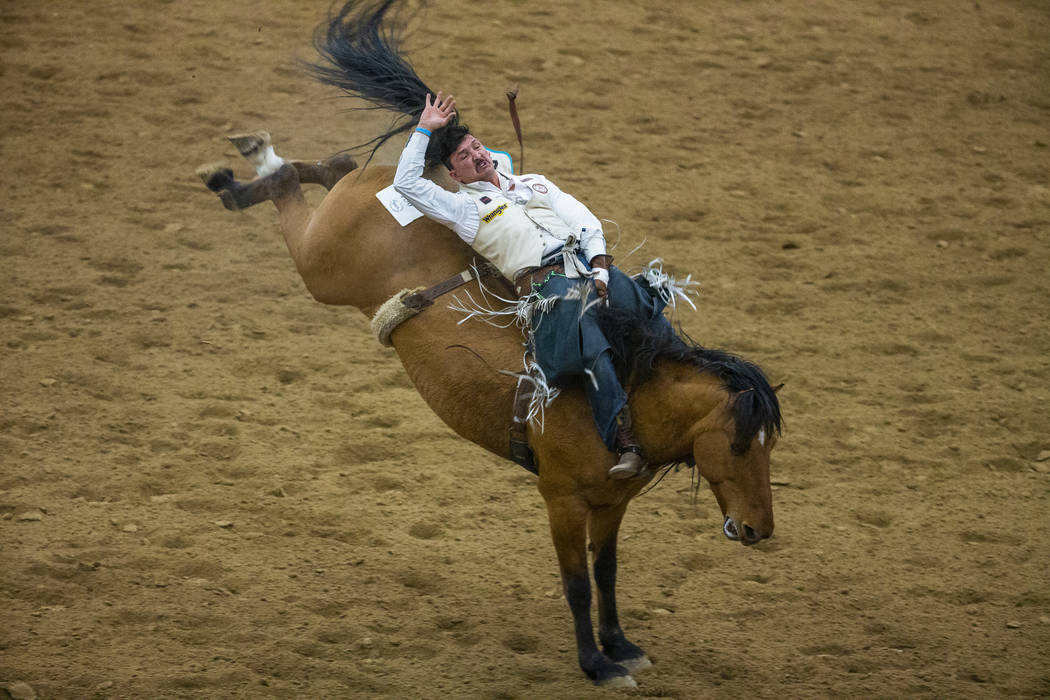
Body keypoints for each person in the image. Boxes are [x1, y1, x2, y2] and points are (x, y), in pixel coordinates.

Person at [394, 92, 664, 479]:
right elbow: (405, 183)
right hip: (547, 290)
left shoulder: (534, 183)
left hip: (589, 268)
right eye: (464, 157)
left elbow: (583, 220)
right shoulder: (463, 209)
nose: (476, 156)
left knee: (648, 306)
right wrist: (424, 128)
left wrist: (601, 268)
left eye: (476, 147)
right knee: (588, 338)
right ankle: (625, 440)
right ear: (454, 176)